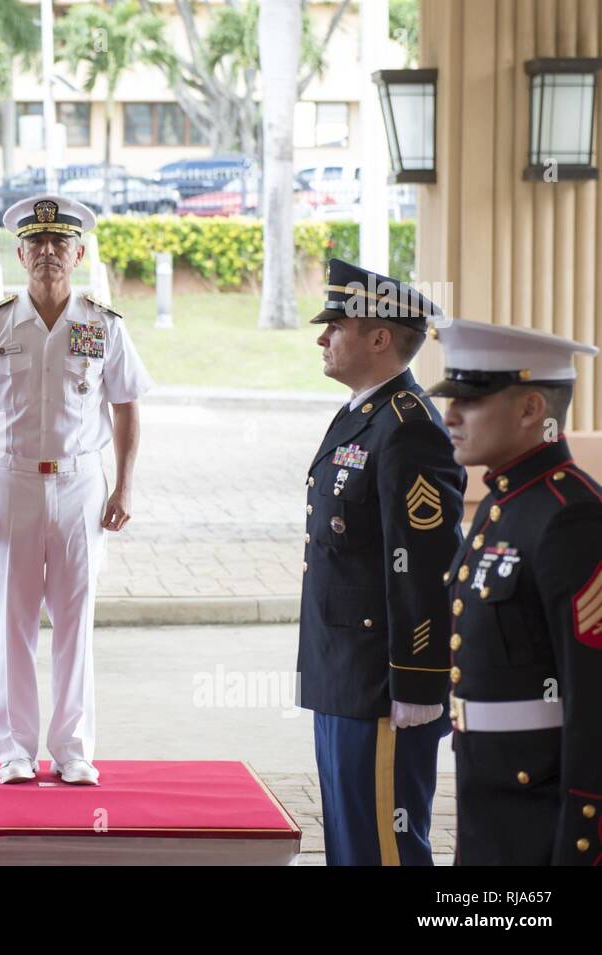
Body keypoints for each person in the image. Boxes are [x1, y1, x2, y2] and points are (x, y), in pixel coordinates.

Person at [0, 195, 153, 786]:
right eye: (36, 244)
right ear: (19, 253)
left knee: (74, 618)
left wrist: (125, 487)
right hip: (9, 483)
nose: (47, 253)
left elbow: (126, 407)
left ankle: (74, 748)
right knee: (11, 619)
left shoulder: (102, 325)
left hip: (81, 482)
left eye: (60, 243)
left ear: (79, 253)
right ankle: (13, 748)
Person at [297, 258, 465, 865]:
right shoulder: (363, 413)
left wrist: (419, 681)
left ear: (379, 337)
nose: (322, 337)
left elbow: (425, 564)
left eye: (335, 325)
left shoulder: (407, 427)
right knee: (347, 839)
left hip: (382, 683)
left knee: (384, 845)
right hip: (342, 673)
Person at [427, 318, 602, 865]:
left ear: (530, 410)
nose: (449, 414)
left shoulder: (569, 517)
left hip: (542, 821)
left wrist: (582, 844)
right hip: (490, 801)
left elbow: (592, 699)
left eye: (470, 400)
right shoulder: (505, 505)